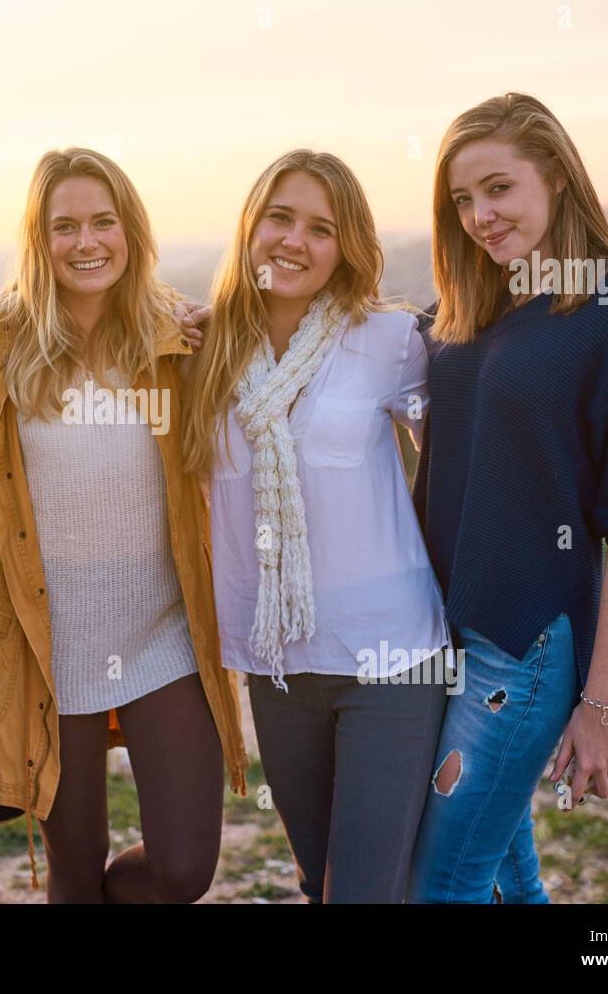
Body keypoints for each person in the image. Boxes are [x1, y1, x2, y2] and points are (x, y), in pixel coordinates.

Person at [407, 93, 608, 903]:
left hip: (523, 652)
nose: (480, 217)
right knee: (499, 879)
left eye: (498, 189)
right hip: (447, 632)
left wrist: (602, 701)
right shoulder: (466, 311)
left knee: (440, 885)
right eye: (462, 201)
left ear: (555, 176)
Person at [0, 147, 249, 902]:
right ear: (39, 239)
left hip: (163, 631)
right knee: (76, 858)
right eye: (65, 226)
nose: (87, 241)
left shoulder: (172, 334)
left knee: (184, 867)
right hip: (48, 642)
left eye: (104, 221)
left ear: (131, 230)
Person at [182, 149, 449, 903]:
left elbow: (464, 464)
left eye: (321, 228)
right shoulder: (202, 354)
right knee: (318, 878)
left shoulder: (390, 342)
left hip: (390, 655)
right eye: (280, 217)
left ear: (348, 248)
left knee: (366, 888)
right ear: (251, 226)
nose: (295, 240)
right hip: (275, 661)